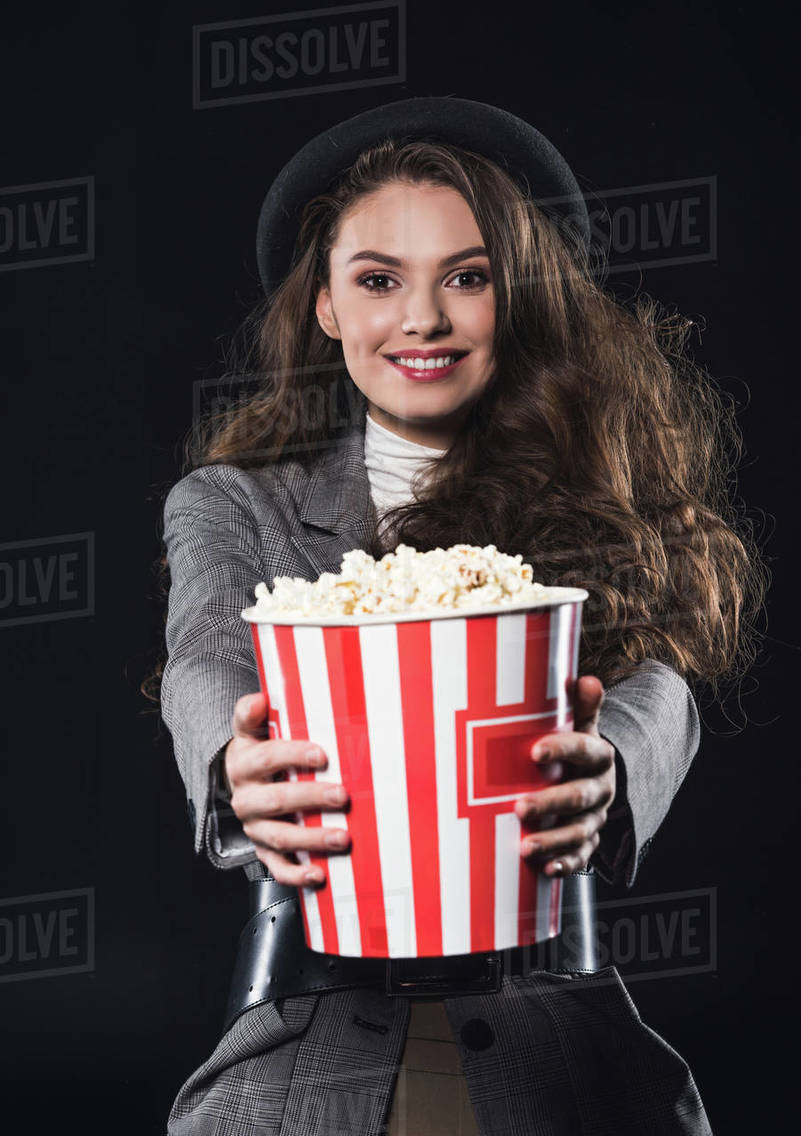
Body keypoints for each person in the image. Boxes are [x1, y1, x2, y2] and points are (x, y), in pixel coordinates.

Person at [146, 97, 766, 1134]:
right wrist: (229, 767)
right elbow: (206, 655)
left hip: (555, 1034)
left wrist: (605, 769)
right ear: (328, 306)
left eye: (467, 278)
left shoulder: (601, 485)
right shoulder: (234, 501)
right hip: (312, 1032)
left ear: (514, 299)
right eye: (378, 280)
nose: (422, 319)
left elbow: (661, 682)